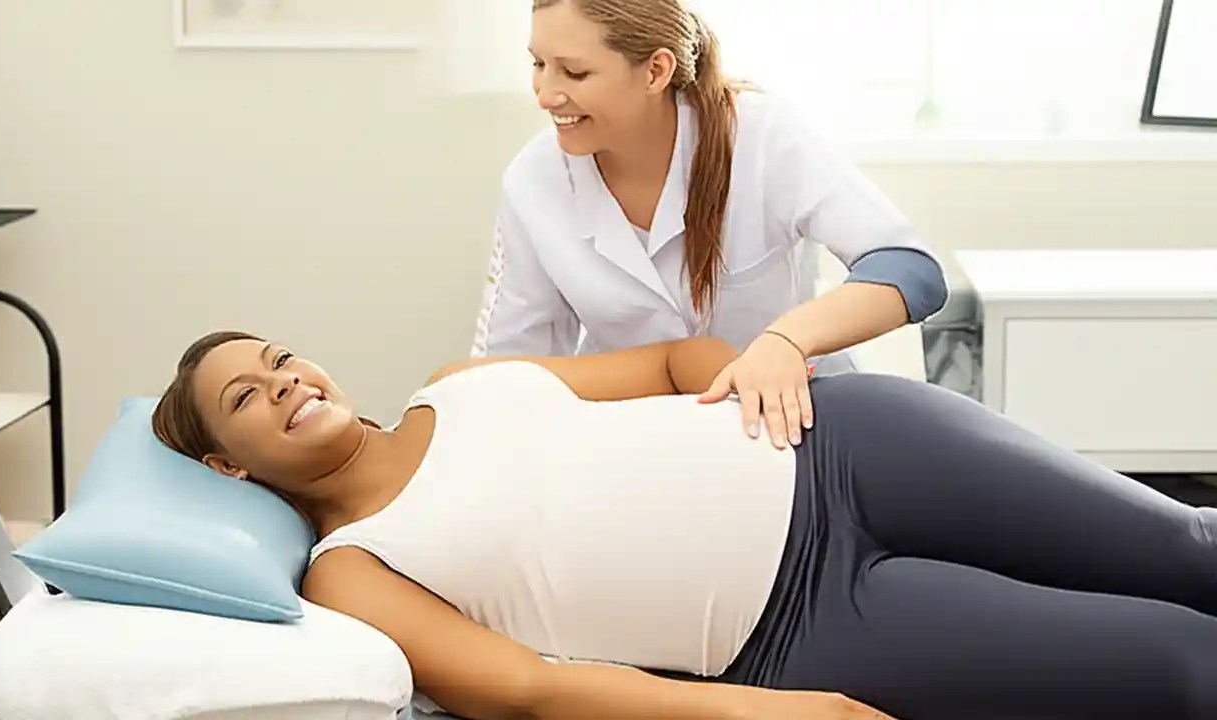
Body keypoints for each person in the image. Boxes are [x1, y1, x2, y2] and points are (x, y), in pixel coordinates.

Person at [151, 330, 1217, 720]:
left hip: (848, 447)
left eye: (279, 359)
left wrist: (763, 376)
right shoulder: (347, 569)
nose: (283, 383)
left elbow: (670, 362)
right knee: (1180, 668)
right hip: (803, 628)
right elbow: (527, 690)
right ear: (224, 464)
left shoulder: (459, 384)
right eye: (247, 397)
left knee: (1187, 551)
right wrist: (777, 718)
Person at [471, 0, 950, 450]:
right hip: (644, 449)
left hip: (798, 437)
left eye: (575, 72)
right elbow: (509, 375)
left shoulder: (760, 135)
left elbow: (912, 271)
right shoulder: (533, 183)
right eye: (538, 65)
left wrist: (785, 340)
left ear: (656, 71)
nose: (546, 94)